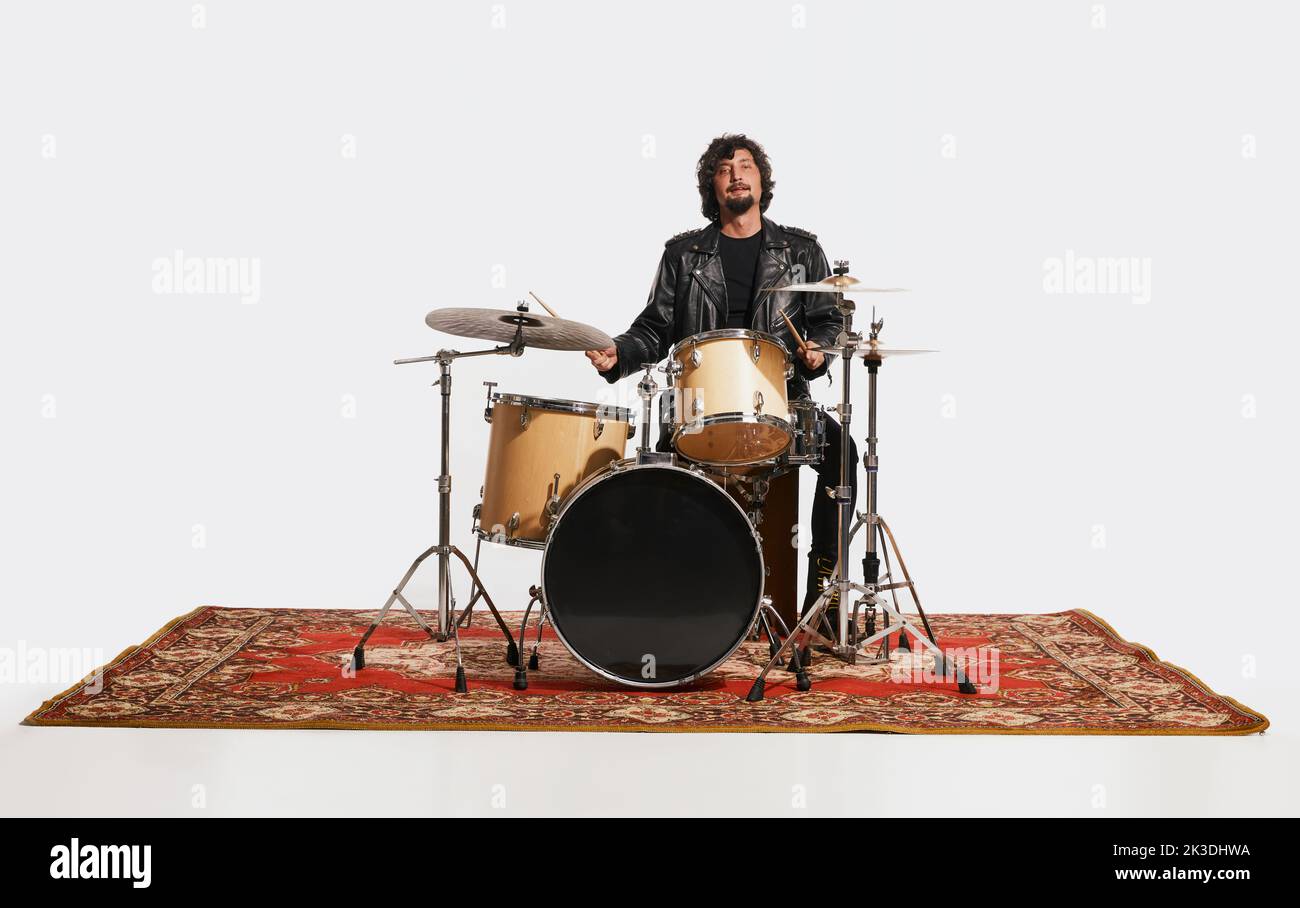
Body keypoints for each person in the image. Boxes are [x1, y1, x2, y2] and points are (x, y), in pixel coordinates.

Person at [585, 133, 858, 626]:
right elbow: (655, 327)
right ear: (711, 185)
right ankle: (669, 600)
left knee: (843, 453)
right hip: (698, 407)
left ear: (762, 180)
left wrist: (818, 352)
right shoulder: (684, 256)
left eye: (747, 165)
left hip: (783, 403)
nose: (737, 174)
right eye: (725, 167)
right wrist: (618, 355)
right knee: (655, 474)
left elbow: (828, 322)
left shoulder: (801, 250)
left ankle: (827, 590)